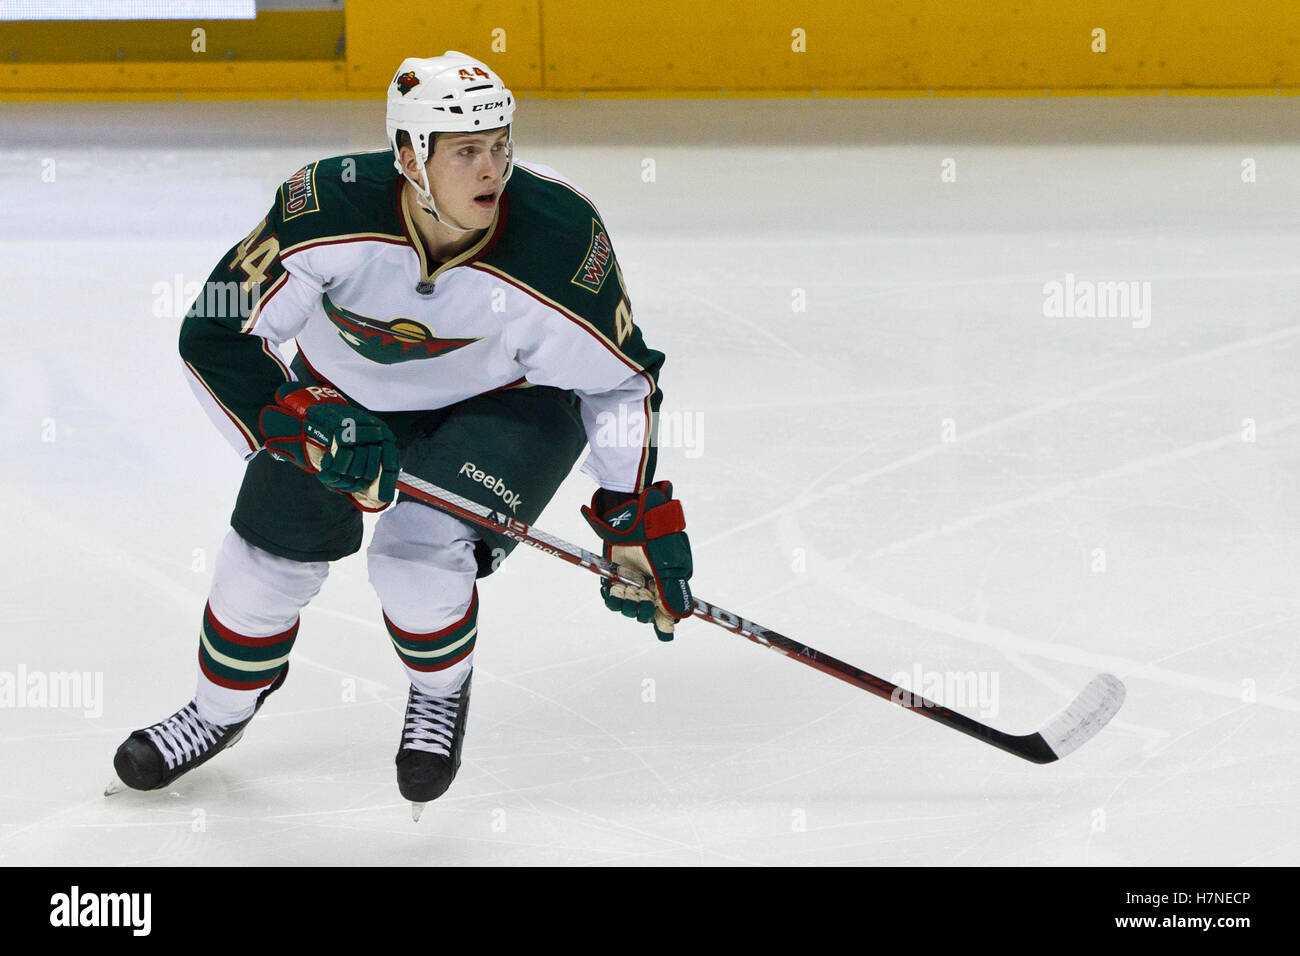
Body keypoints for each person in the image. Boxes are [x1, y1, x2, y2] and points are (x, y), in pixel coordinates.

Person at [107, 52, 694, 818]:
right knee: (259, 565)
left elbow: (619, 380)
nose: (493, 169)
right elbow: (214, 329)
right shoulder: (323, 206)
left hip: (505, 407)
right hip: (337, 403)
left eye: (500, 144)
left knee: (418, 562)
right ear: (410, 156)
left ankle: (440, 694)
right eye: (466, 151)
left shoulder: (560, 240)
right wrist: (302, 420)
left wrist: (630, 510)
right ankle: (217, 710)